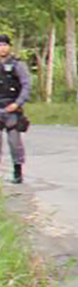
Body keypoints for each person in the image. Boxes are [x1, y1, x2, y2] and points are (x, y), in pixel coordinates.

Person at [0, 35, 31, 184]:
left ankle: (17, 172)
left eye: (5, 45)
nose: (3, 48)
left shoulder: (17, 65)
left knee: (14, 143)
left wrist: (18, 103)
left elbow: (26, 85)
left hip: (12, 108)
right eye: (0, 45)